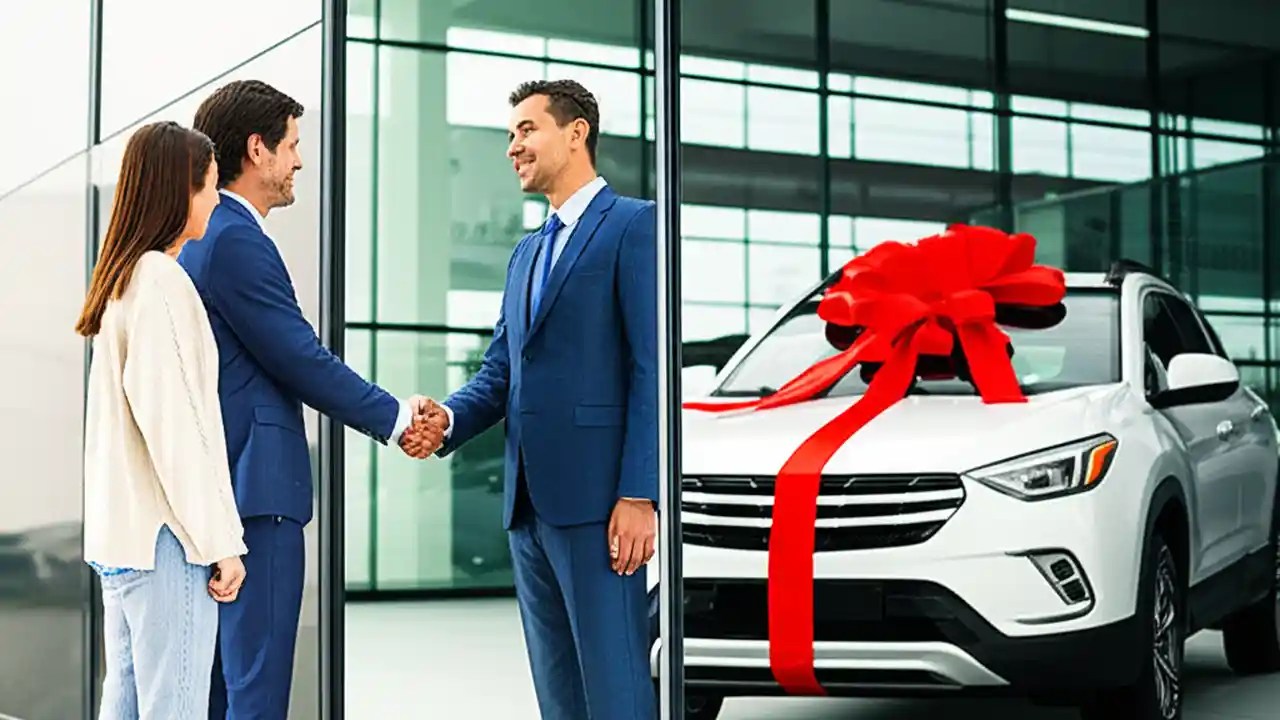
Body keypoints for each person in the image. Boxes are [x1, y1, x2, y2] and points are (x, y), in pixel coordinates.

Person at [178, 80, 442, 719]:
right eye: (293, 145)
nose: (299, 161)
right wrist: (396, 417)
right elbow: (298, 356)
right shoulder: (234, 237)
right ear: (257, 149)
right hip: (257, 494)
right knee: (256, 687)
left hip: (223, 492)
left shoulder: (201, 237)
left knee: (219, 687)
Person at [421, 79, 658, 720]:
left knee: (615, 688)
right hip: (527, 508)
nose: (512, 147)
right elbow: (502, 371)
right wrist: (448, 419)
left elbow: (650, 369)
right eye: (509, 135)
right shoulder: (526, 253)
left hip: (600, 507)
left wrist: (640, 494)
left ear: (576, 133)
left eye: (526, 130)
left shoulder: (634, 225)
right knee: (558, 694)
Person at [77, 120, 249, 719]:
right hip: (167, 541)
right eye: (209, 184)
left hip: (124, 540)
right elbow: (177, 431)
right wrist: (222, 542)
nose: (216, 199)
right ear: (181, 190)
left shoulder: (122, 281)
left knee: (126, 704)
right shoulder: (161, 280)